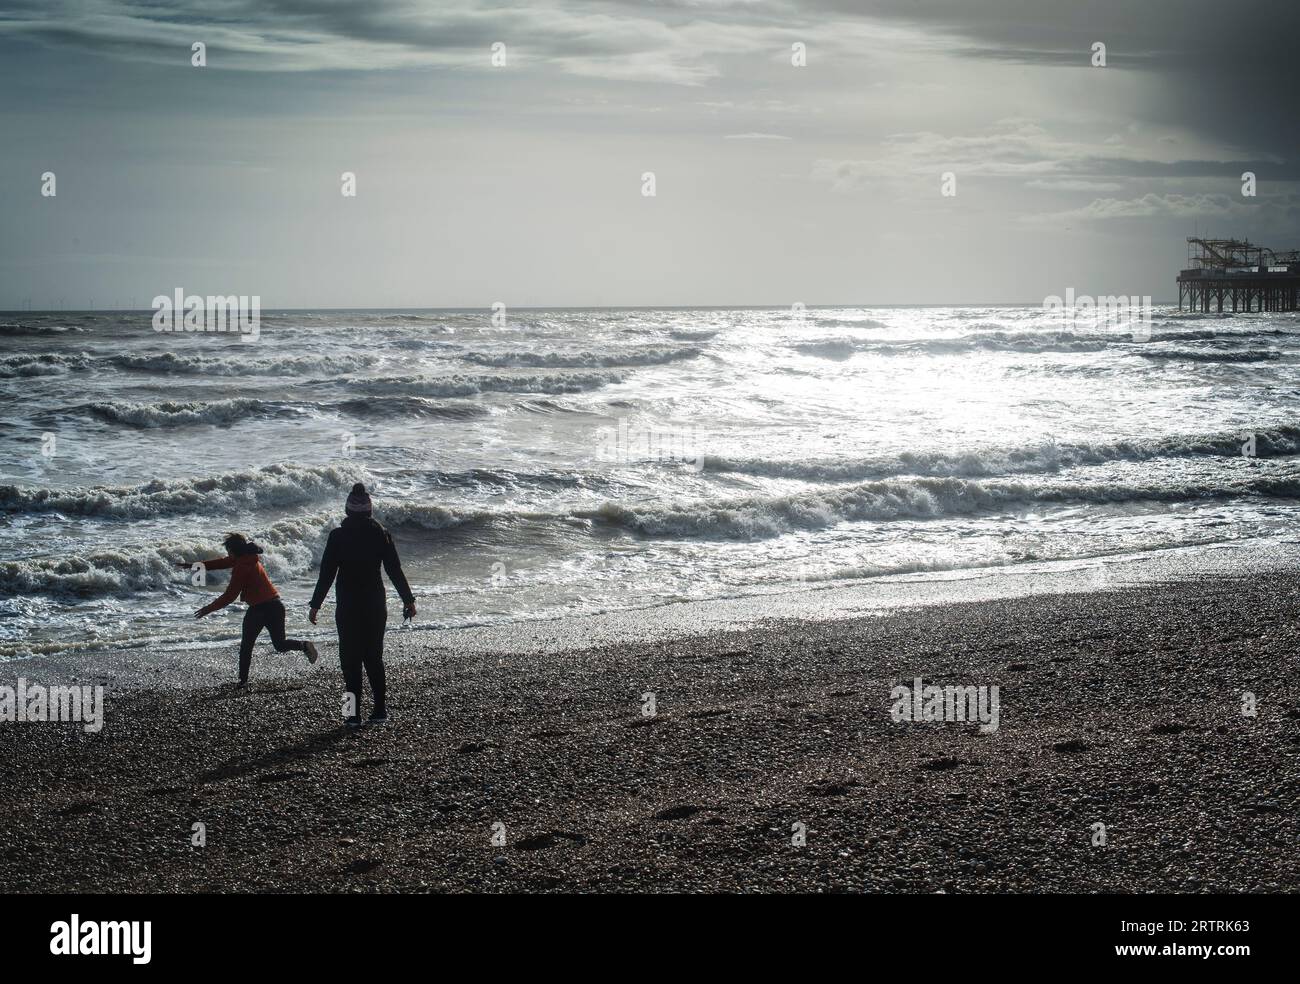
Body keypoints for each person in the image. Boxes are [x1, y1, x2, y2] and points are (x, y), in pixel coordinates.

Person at [309, 483, 416, 727]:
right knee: (373, 658)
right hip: (375, 604)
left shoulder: (337, 536)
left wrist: (315, 604)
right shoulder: (381, 533)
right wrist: (408, 600)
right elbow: (394, 570)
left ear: (347, 510)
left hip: (348, 605)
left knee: (350, 660)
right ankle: (380, 711)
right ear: (369, 510)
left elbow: (326, 573)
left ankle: (352, 715)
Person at [182, 533, 318, 685]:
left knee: (247, 646)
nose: (228, 554)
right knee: (280, 644)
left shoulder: (241, 567)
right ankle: (304, 645)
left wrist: (208, 609)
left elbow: (229, 596)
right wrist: (196, 565)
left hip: (259, 609)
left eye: (228, 550)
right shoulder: (249, 557)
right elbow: (223, 562)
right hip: (276, 605)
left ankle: (242, 682)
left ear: (233, 551)